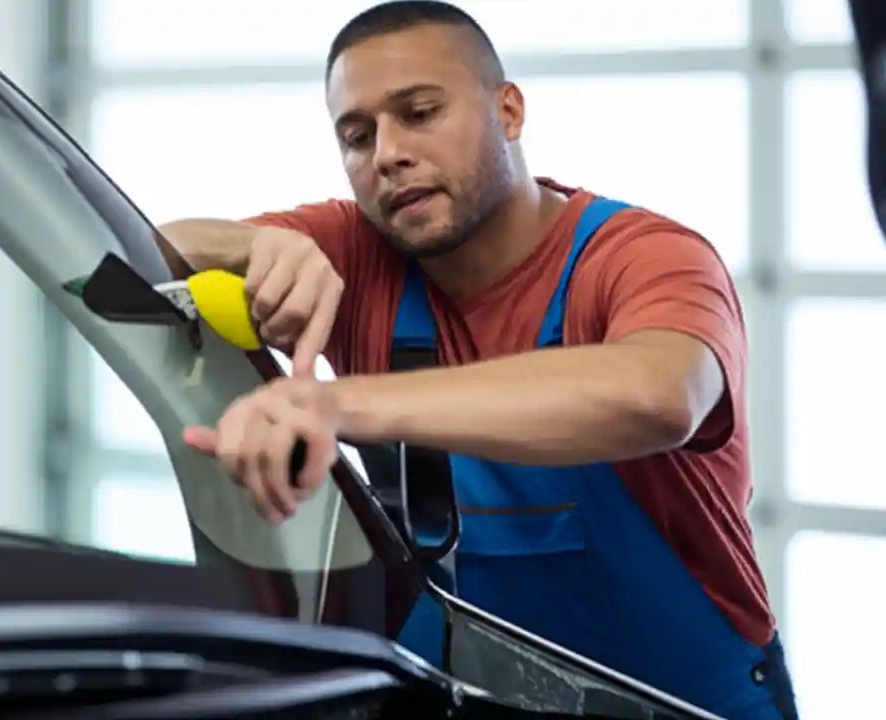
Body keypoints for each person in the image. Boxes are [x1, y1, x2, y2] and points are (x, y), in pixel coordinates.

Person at [157, 2, 800, 718]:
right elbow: (128, 249)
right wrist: (250, 248)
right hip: (475, 693)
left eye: (420, 112)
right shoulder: (355, 248)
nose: (388, 154)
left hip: (684, 701)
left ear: (510, 110)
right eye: (357, 135)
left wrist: (336, 404)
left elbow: (659, 395)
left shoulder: (645, 257)